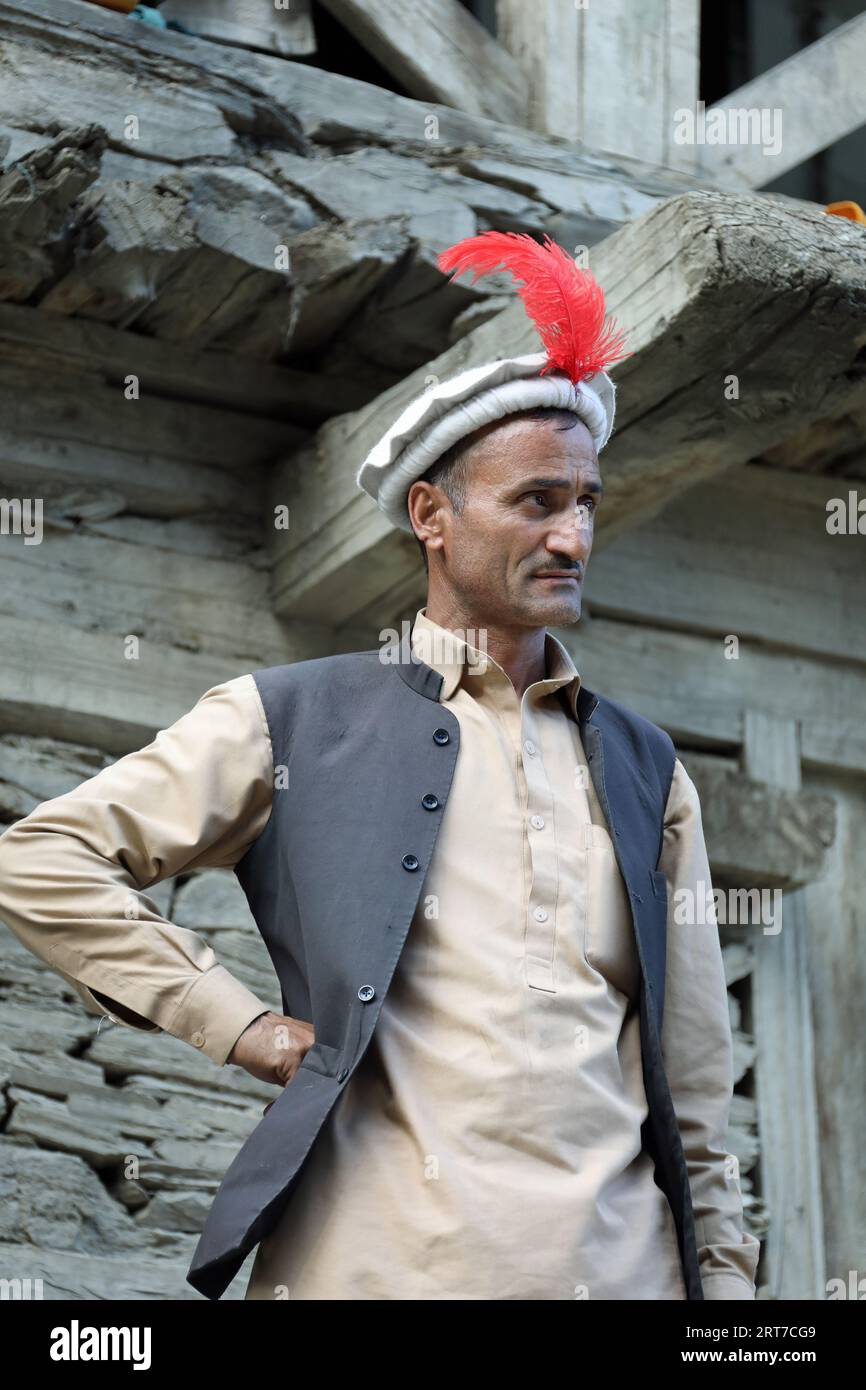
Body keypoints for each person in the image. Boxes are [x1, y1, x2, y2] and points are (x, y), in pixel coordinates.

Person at [0, 232, 760, 1300]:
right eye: (535, 501)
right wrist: (244, 1030)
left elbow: (689, 1092)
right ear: (431, 517)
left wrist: (724, 1300)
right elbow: (42, 858)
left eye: (585, 502)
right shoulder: (291, 717)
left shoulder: (644, 769)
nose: (573, 537)